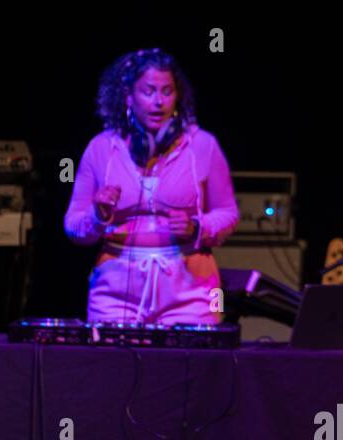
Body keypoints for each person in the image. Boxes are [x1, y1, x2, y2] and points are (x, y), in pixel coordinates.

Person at [64, 48, 239, 326]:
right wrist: (97, 215)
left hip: (191, 292)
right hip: (114, 293)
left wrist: (197, 227)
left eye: (167, 91)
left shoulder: (203, 145)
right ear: (128, 97)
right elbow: (73, 225)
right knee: (110, 368)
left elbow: (228, 212)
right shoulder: (100, 148)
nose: (159, 101)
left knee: (190, 368)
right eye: (148, 92)